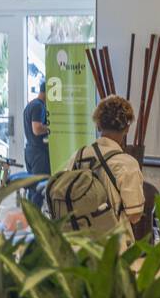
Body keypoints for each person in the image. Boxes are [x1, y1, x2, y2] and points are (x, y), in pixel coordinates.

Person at [64, 95, 146, 242]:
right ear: (127, 128)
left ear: (98, 125)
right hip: (113, 246)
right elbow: (135, 214)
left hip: (78, 242)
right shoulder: (127, 164)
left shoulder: (78, 155)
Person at [22, 81, 51, 207]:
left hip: (30, 151)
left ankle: (31, 220)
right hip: (38, 154)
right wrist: (52, 128)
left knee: (34, 189)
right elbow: (37, 129)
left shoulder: (30, 105)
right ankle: (35, 222)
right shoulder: (38, 106)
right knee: (39, 190)